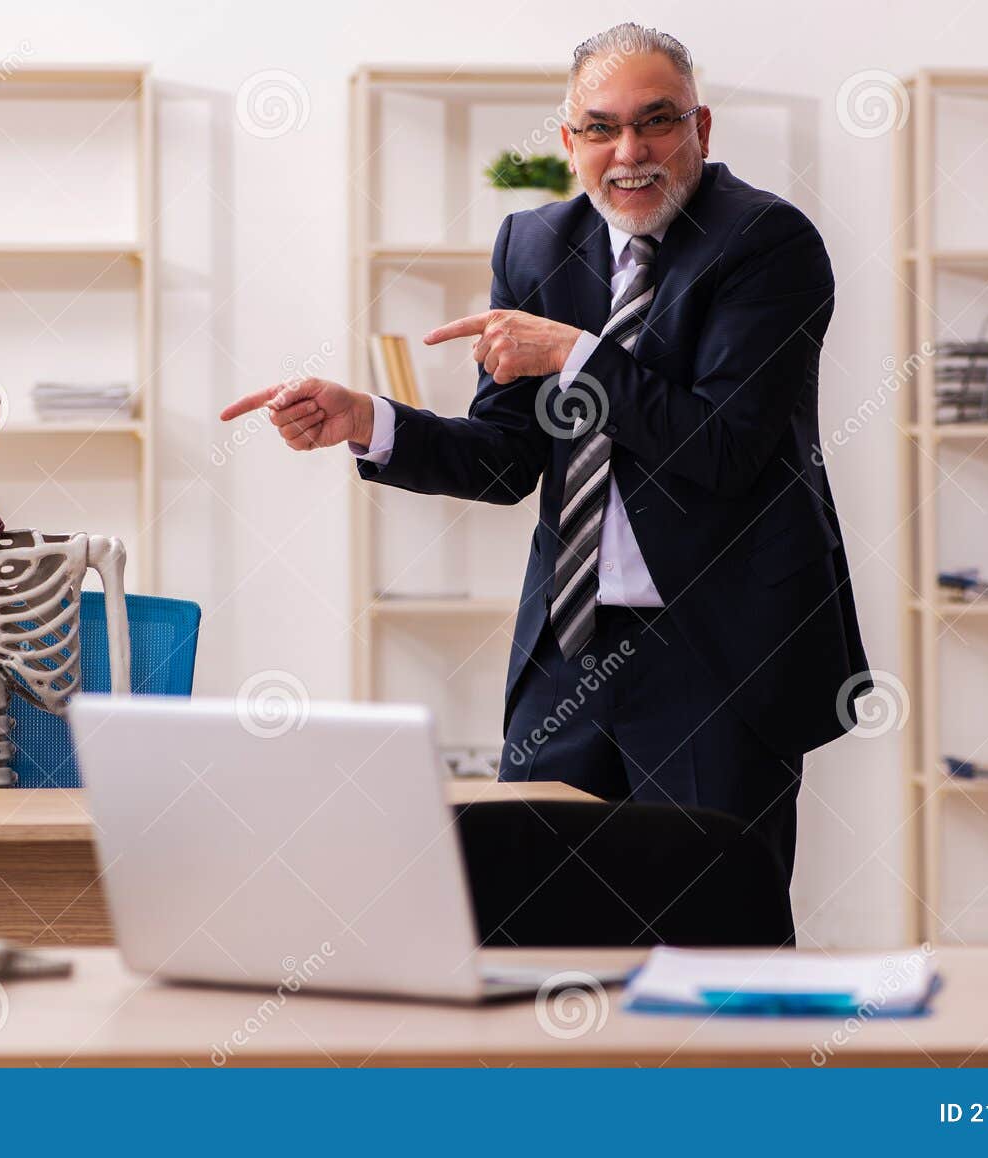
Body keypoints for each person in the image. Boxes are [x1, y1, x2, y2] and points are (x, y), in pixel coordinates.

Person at [220, 23, 868, 881]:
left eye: (657, 121)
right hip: (566, 652)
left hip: (718, 656)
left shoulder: (767, 244)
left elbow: (722, 450)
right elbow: (505, 458)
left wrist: (575, 354)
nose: (628, 151)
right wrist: (367, 420)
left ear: (701, 131)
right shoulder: (534, 245)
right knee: (527, 915)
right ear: (570, 143)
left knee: (713, 934)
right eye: (601, 127)